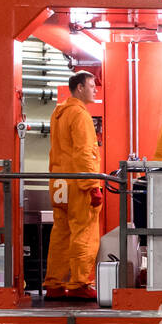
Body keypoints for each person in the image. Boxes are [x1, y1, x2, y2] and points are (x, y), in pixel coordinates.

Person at [43, 69, 103, 302]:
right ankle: (79, 283)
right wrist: (92, 185)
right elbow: (84, 152)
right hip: (78, 184)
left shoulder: (58, 113)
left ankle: (54, 284)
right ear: (80, 87)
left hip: (59, 182)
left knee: (60, 234)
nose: (94, 89)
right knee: (84, 230)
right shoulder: (79, 114)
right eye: (91, 85)